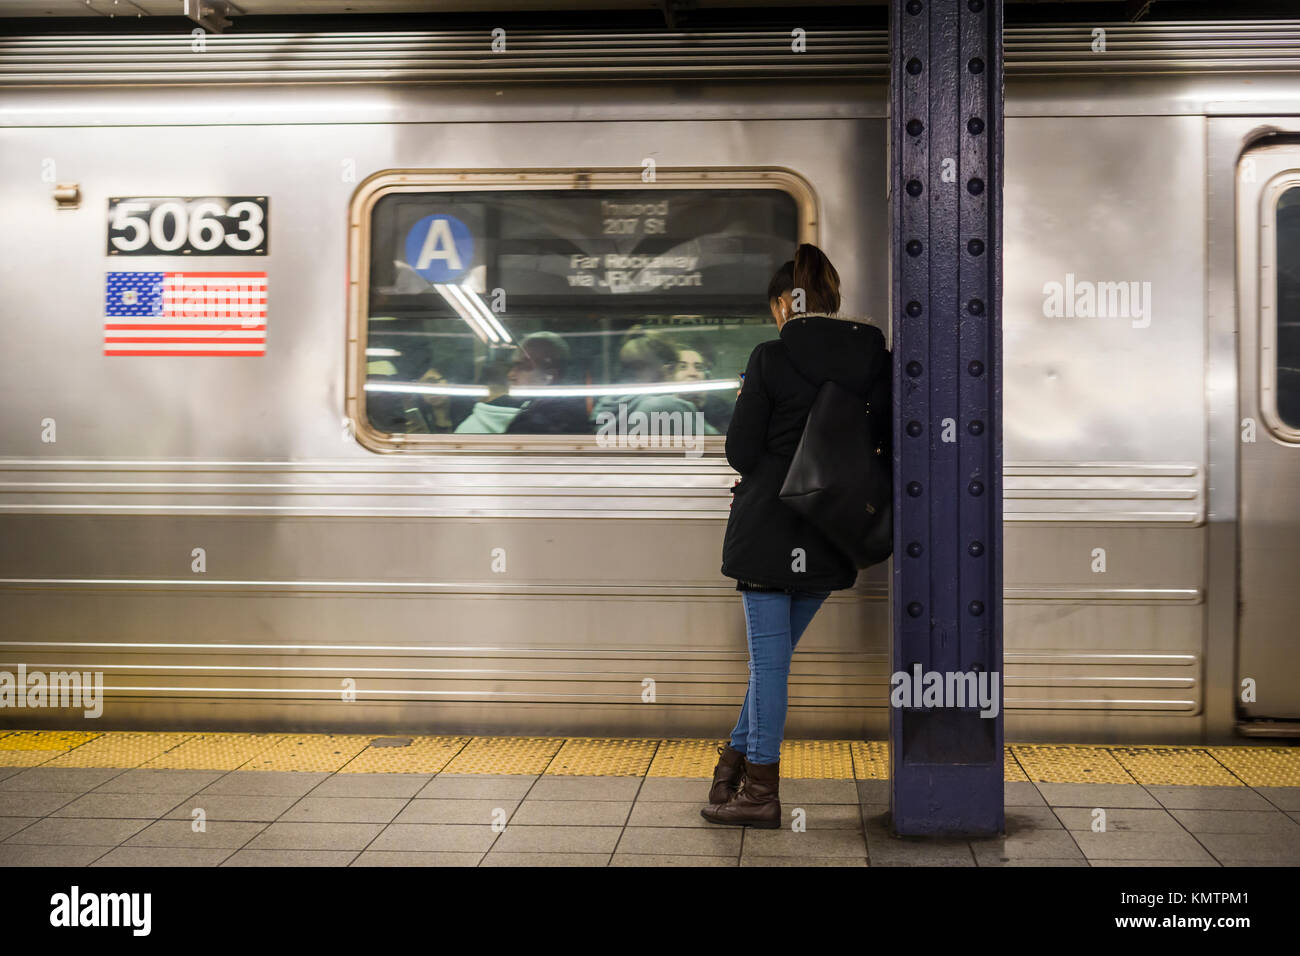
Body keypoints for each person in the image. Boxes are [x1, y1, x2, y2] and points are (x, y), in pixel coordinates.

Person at [702, 243, 892, 828]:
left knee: (769, 667)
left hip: (769, 532)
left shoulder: (769, 357)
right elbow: (883, 445)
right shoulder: (874, 359)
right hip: (834, 533)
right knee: (773, 665)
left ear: (786, 302)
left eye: (774, 306)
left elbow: (740, 453)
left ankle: (760, 791)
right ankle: (733, 764)